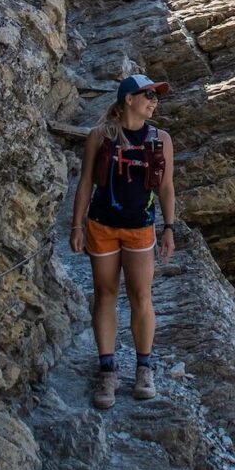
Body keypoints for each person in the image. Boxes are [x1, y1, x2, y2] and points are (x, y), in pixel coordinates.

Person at [69, 74, 176, 408]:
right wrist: (77, 226)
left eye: (156, 96)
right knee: (105, 294)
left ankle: (144, 368)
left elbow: (167, 187)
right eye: (148, 95)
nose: (154, 101)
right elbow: (86, 183)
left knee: (141, 296)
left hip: (140, 228)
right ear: (129, 99)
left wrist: (169, 227)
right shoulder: (100, 137)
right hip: (101, 226)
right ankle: (108, 370)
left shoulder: (161, 139)